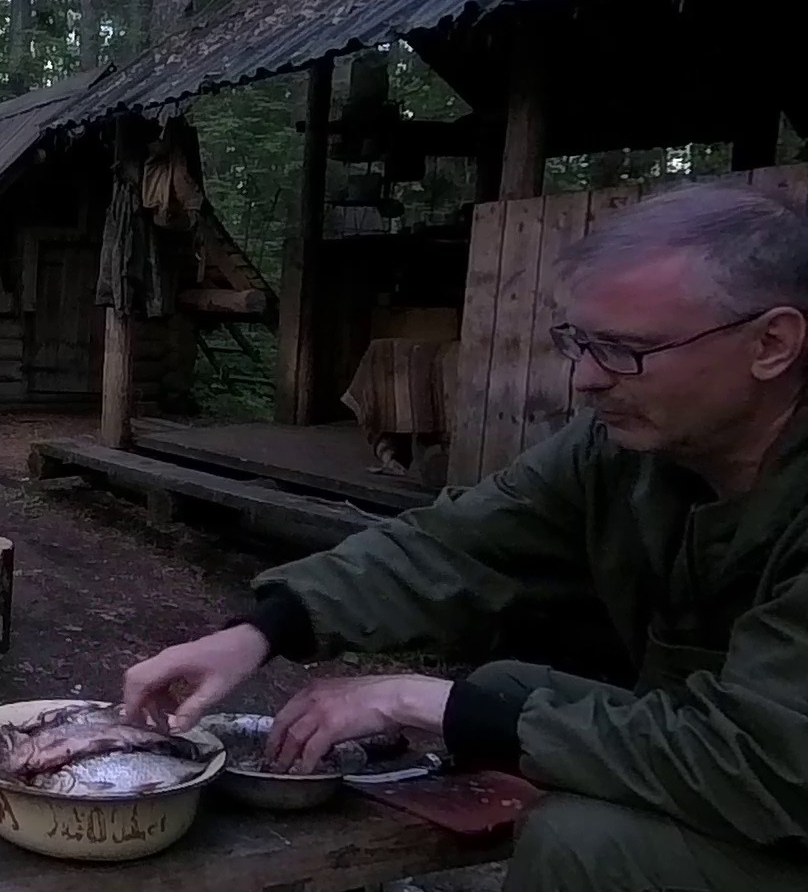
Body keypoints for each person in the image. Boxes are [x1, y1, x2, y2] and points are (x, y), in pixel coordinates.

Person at [123, 183, 808, 890]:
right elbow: (457, 543)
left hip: (781, 789)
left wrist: (416, 700)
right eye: (580, 343)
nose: (586, 380)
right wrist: (261, 631)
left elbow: (764, 760)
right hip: (735, 753)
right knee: (503, 690)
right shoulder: (627, 449)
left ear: (772, 344)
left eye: (626, 351)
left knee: (584, 845)